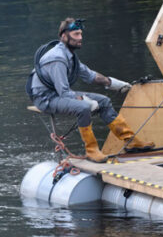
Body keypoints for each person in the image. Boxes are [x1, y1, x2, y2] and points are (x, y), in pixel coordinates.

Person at [27, 18, 154, 163]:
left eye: (81, 34)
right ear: (63, 36)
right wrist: (86, 101)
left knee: (104, 101)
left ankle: (131, 142)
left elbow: (90, 76)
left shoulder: (71, 56)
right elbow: (64, 92)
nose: (80, 38)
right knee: (83, 108)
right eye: (76, 34)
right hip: (46, 98)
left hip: (58, 94)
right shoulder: (57, 59)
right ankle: (92, 151)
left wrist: (115, 84)